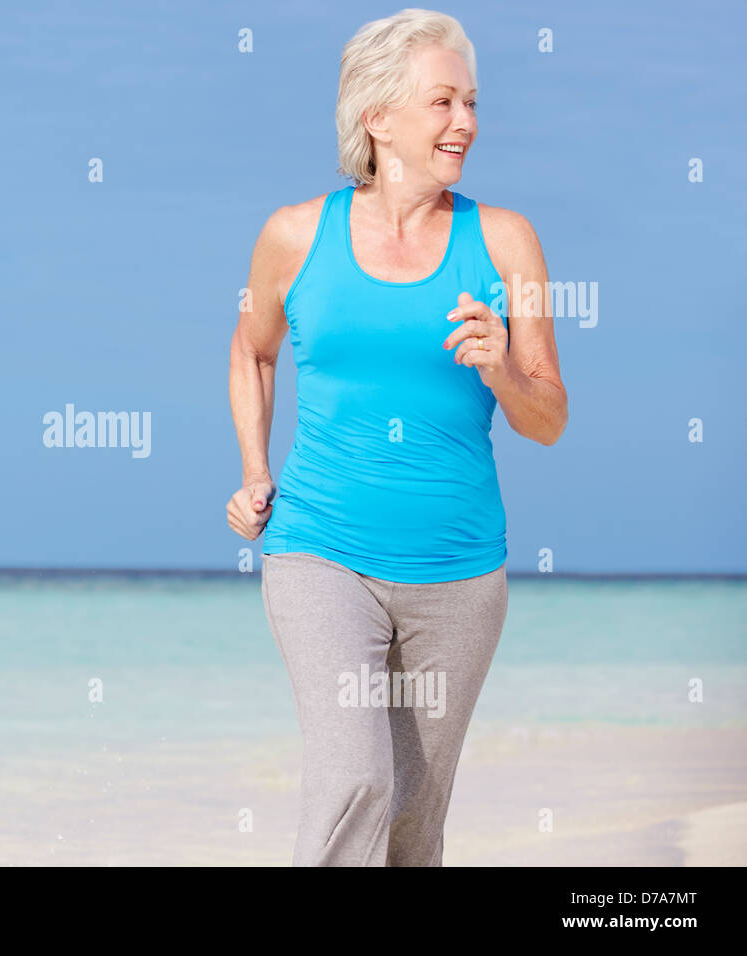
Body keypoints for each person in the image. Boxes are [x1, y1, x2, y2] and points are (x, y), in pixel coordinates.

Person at [225, 8, 567, 866]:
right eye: (442, 103)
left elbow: (550, 418)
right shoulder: (295, 235)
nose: (466, 123)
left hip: (457, 573)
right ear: (377, 117)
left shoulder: (508, 243)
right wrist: (256, 470)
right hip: (320, 550)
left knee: (415, 817)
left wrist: (501, 368)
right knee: (354, 779)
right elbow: (252, 351)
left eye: (472, 103)